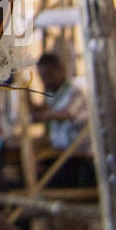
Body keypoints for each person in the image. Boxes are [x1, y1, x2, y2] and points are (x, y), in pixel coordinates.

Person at [29, 51, 95, 188]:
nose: (46, 81)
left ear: (60, 70)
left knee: (58, 181)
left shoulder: (75, 92)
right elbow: (42, 110)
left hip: (79, 154)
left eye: (49, 76)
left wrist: (42, 116)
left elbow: (66, 114)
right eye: (42, 77)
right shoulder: (51, 93)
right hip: (61, 151)